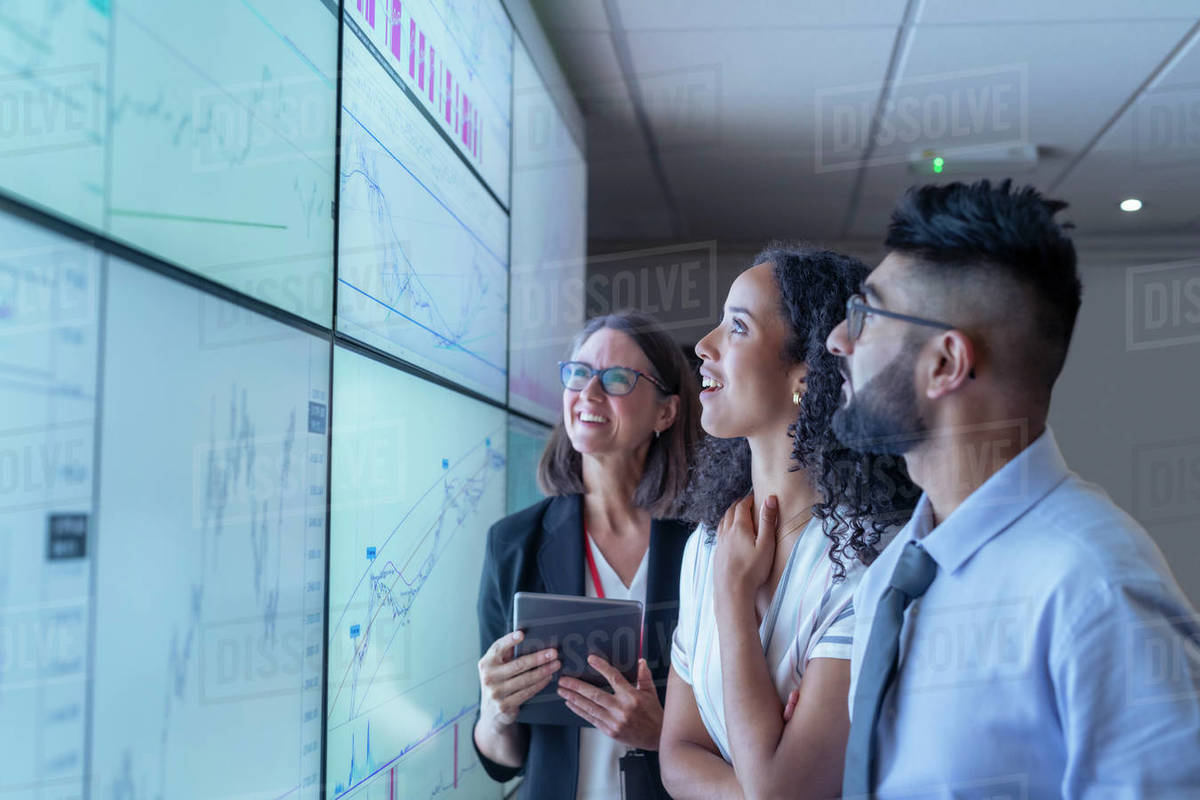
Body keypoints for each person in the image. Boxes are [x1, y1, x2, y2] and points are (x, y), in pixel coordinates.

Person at [827, 179, 1200, 798]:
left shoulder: (1092, 586)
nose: (839, 340)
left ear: (945, 364)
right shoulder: (892, 576)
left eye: (865, 313)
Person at [659, 244, 917, 800]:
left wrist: (731, 599)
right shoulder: (709, 541)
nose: (703, 347)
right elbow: (676, 756)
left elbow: (785, 794)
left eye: (737, 328)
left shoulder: (872, 560)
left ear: (808, 371)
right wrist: (758, 783)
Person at [473, 311, 702, 799]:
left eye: (617, 379)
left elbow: (747, 736)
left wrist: (661, 735)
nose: (589, 394)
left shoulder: (707, 543)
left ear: (666, 412)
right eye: (578, 373)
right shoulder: (514, 544)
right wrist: (495, 711)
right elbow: (503, 761)